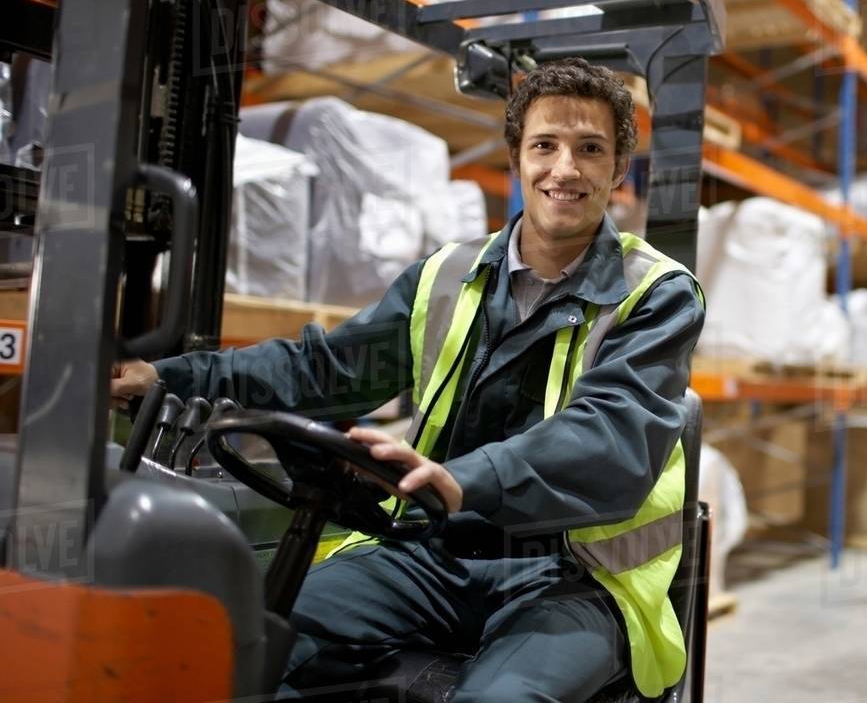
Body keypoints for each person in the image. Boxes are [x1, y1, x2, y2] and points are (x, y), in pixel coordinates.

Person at [111, 57, 705, 702]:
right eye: (545, 146)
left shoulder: (658, 293)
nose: (565, 169)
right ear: (517, 158)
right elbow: (327, 369)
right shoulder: (445, 275)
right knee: (233, 644)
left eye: (589, 149)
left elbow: (610, 436)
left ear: (618, 169)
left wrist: (462, 480)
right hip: (430, 550)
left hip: (573, 576)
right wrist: (167, 376)